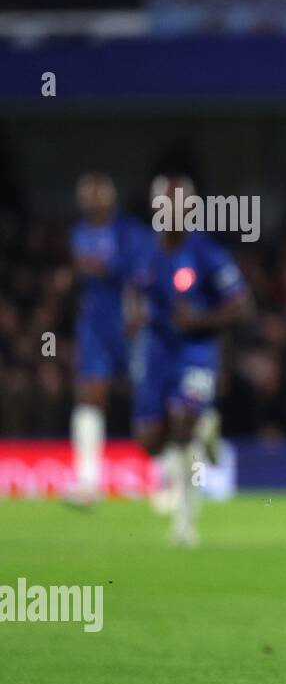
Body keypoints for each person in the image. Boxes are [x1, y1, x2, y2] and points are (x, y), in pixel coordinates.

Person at [131, 175, 252, 546]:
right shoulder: (145, 251)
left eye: (179, 205)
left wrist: (199, 321)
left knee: (182, 424)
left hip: (195, 350)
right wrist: (133, 313)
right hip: (157, 352)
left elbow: (243, 306)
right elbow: (134, 291)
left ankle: (185, 524)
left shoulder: (207, 253)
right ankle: (206, 425)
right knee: (151, 440)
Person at [66, 174, 143, 506]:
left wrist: (138, 311)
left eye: (96, 194)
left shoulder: (129, 231)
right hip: (95, 325)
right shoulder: (77, 233)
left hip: (129, 322)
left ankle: (171, 480)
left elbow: (139, 272)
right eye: (86, 195)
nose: (90, 200)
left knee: (152, 396)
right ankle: (87, 483)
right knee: (91, 394)